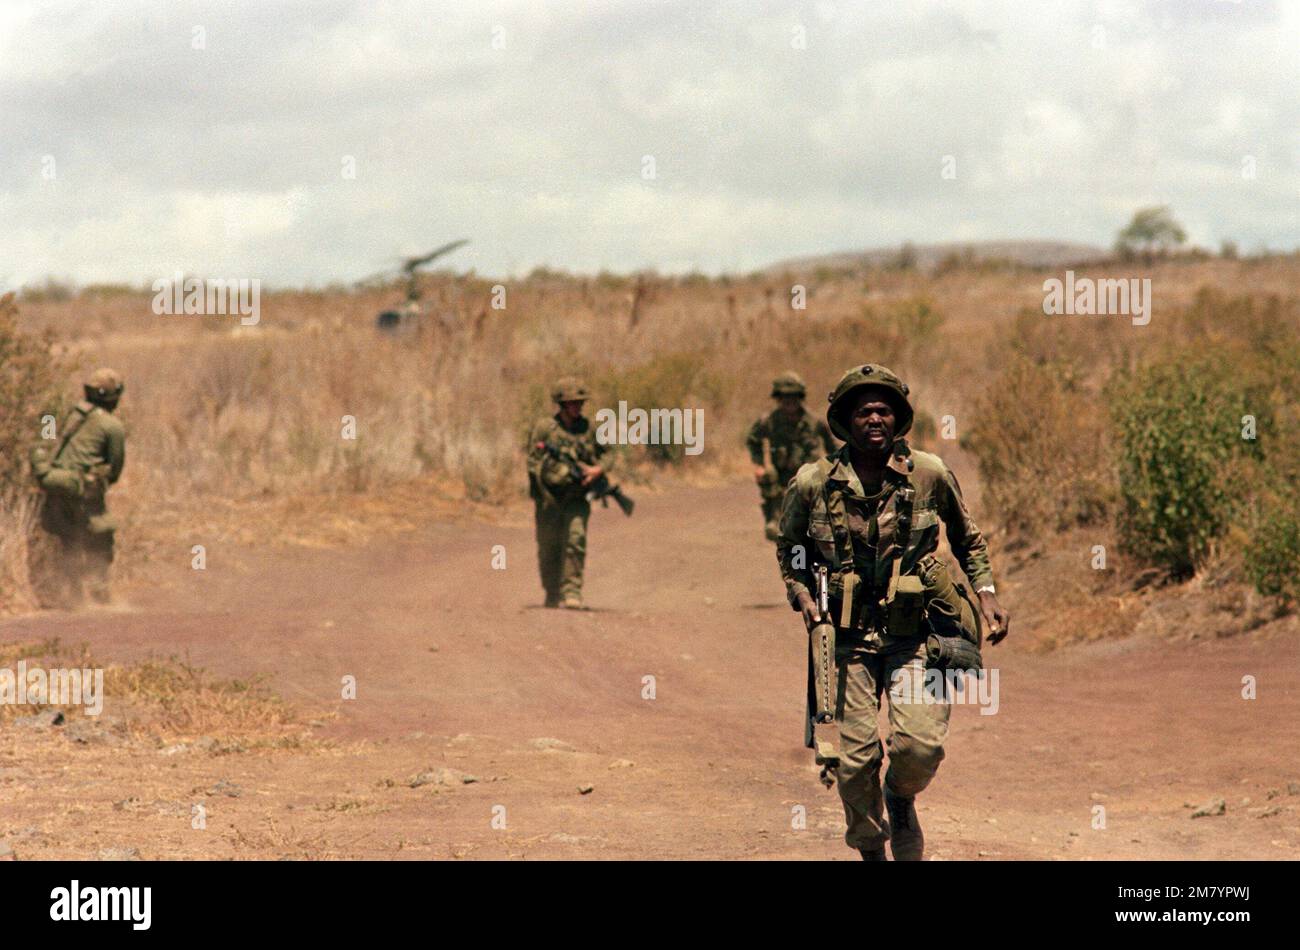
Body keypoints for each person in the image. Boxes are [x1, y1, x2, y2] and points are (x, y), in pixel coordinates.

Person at [776, 364, 1010, 860]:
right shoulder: (813, 482)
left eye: (883, 410)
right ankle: (870, 848)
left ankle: (900, 800)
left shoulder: (929, 473)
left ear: (898, 418)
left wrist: (985, 591)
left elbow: (968, 539)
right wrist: (801, 595)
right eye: (863, 411)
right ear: (845, 420)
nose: (874, 419)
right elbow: (790, 548)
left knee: (920, 747)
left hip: (917, 636)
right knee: (854, 762)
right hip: (844, 641)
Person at [30, 368, 127, 606]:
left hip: (54, 483)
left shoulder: (67, 415)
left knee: (68, 538)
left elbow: (45, 439)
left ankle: (72, 595)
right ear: (114, 397)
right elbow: (114, 468)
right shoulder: (112, 426)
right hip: (83, 488)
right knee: (100, 537)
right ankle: (99, 594)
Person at [526, 377, 612, 609]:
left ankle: (572, 591)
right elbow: (533, 462)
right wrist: (557, 474)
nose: (577, 407)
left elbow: (610, 454)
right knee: (548, 547)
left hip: (577, 497)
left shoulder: (590, 429)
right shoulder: (545, 428)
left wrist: (598, 470)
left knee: (575, 540)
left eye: (580, 403)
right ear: (562, 404)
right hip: (549, 500)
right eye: (572, 403)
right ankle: (552, 592)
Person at [745, 371, 836, 541]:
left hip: (808, 474)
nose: (789, 402)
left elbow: (832, 447)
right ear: (778, 398)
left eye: (793, 397)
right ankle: (773, 517)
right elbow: (753, 441)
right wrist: (759, 465)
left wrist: (834, 468)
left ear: (800, 398)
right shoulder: (769, 421)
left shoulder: (814, 422)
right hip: (781, 474)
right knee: (768, 476)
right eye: (784, 397)